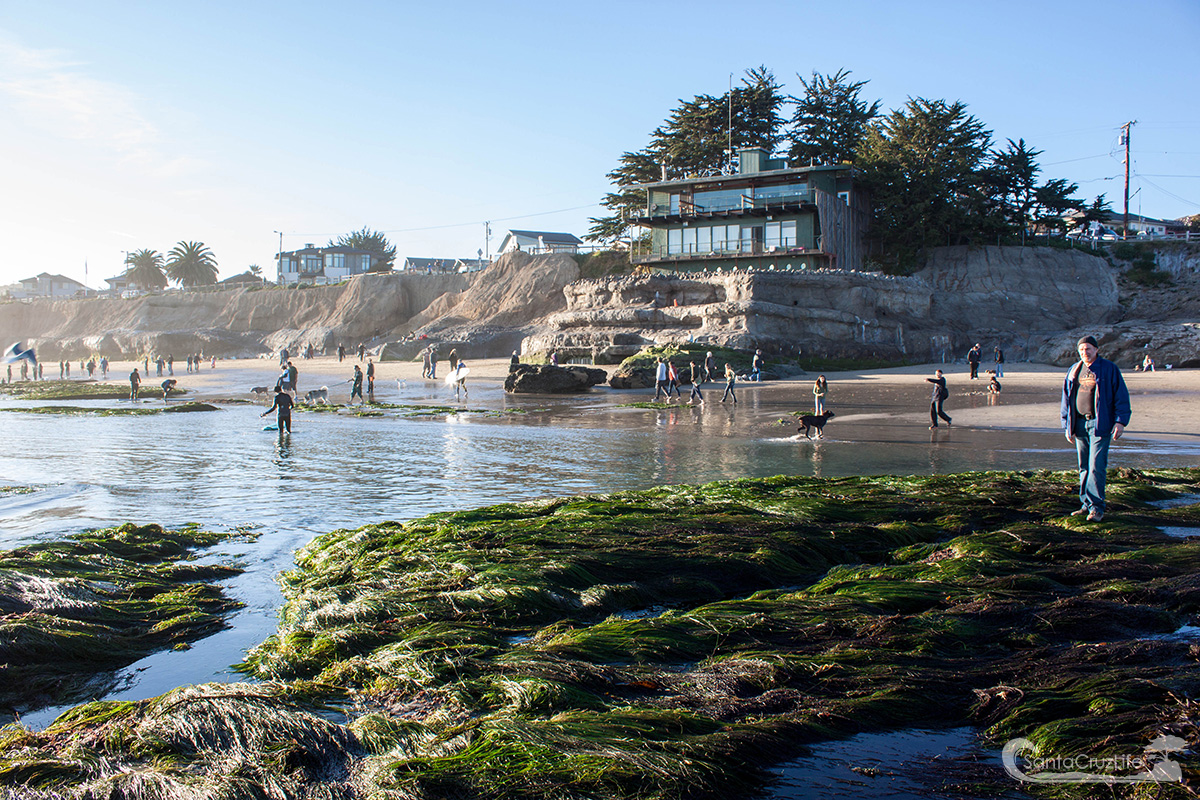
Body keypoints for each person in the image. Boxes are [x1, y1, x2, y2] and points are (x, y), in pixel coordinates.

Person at [1061, 335, 1131, 523]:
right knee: (1084, 466)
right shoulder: (1074, 370)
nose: (1085, 352)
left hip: (1100, 424)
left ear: (1096, 350)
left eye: (1089, 349)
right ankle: (1085, 503)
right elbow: (1066, 400)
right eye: (1082, 349)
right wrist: (1067, 425)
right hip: (1079, 424)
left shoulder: (1109, 369)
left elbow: (1122, 397)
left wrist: (1120, 422)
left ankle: (1097, 508)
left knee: (1096, 466)